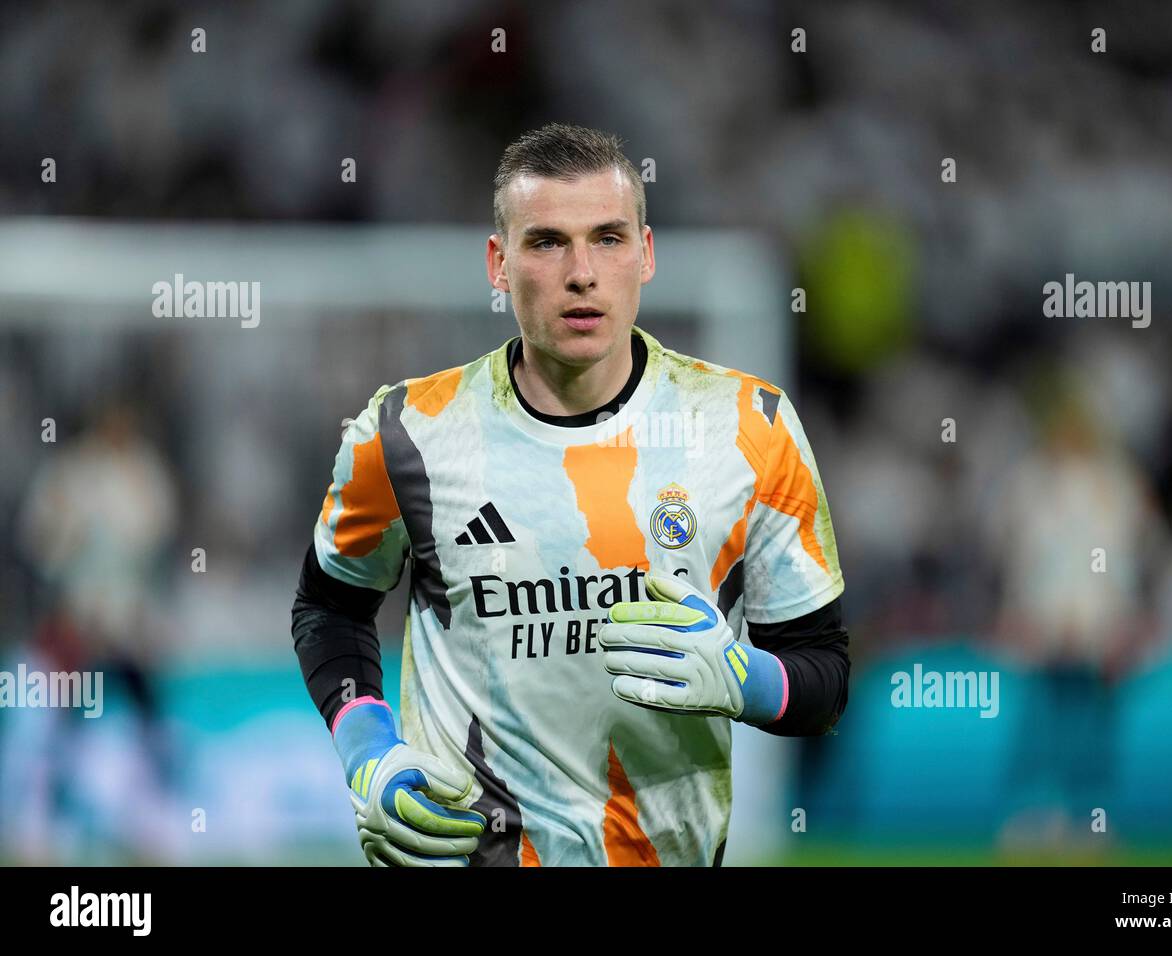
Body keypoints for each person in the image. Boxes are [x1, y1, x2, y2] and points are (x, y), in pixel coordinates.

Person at [291, 123, 849, 867]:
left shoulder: (750, 427)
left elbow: (826, 676)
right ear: (499, 263)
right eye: (547, 242)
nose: (582, 272)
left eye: (609, 239)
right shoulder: (405, 435)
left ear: (647, 255)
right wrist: (370, 752)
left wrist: (746, 681)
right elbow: (329, 606)